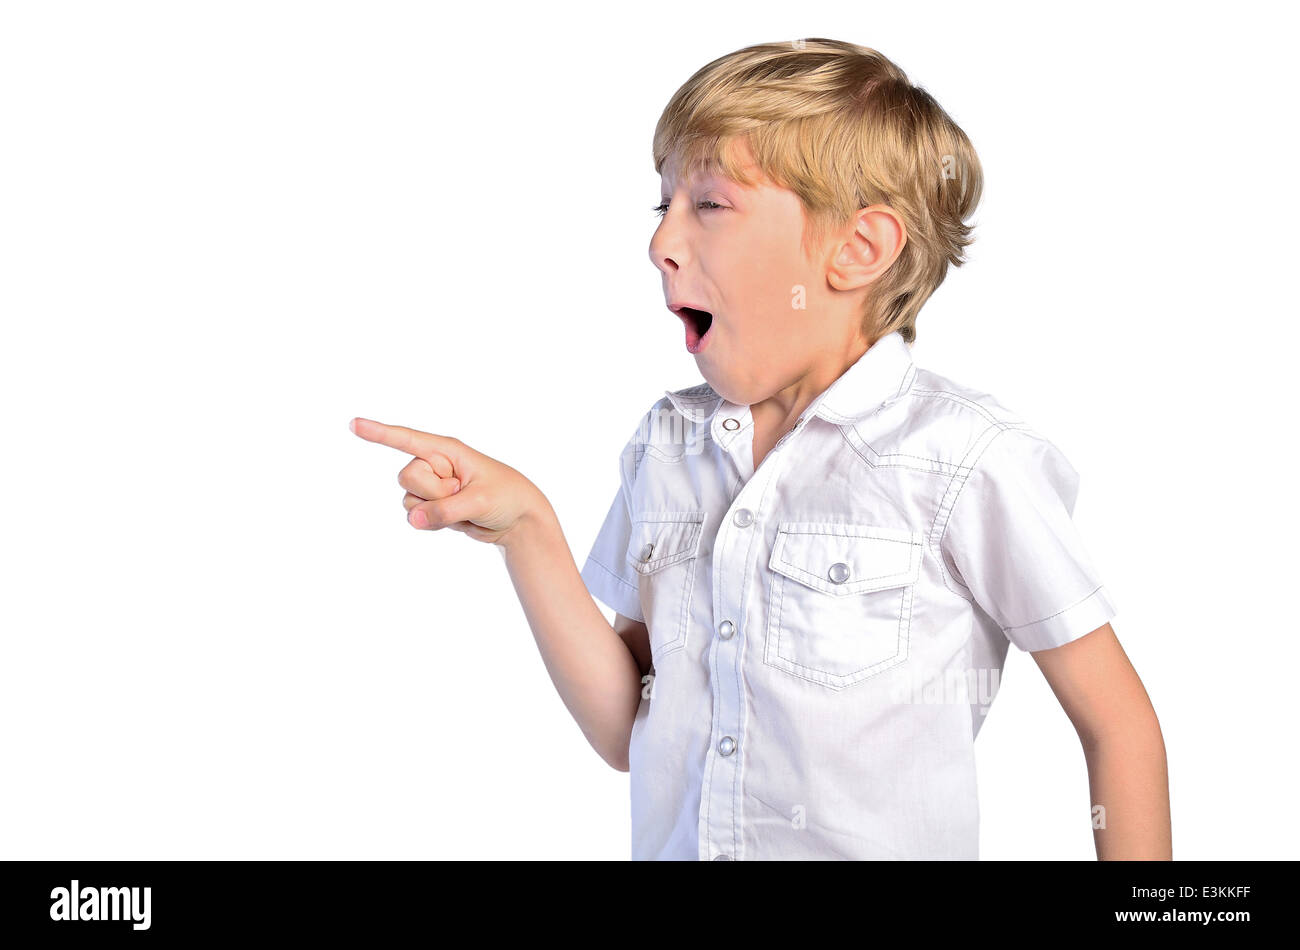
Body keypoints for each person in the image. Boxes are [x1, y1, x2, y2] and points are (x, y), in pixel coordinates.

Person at [351, 38, 1171, 861]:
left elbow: (1117, 726)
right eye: (662, 205)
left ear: (858, 249)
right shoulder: (666, 446)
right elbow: (626, 729)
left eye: (708, 204)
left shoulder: (963, 458)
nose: (660, 242)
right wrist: (528, 526)